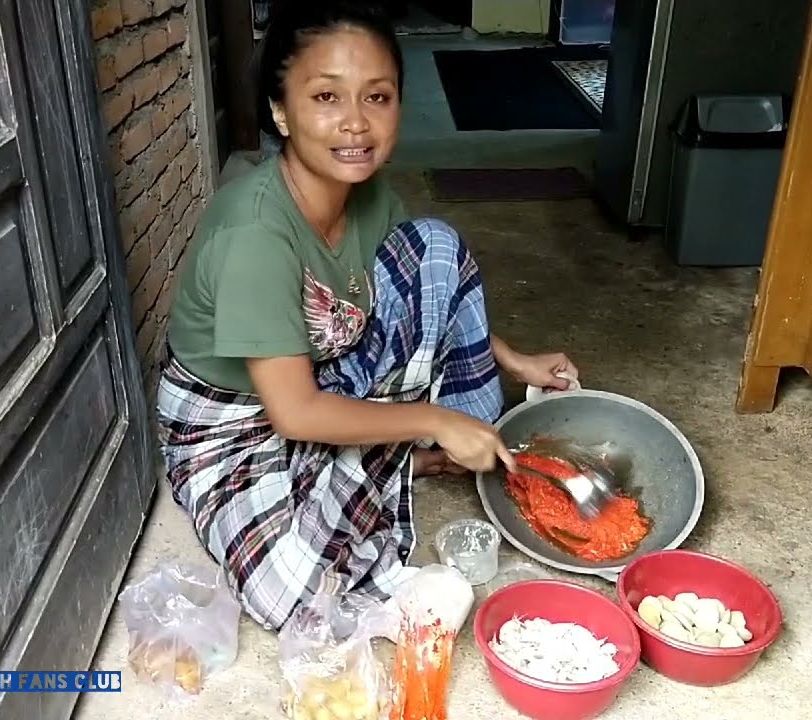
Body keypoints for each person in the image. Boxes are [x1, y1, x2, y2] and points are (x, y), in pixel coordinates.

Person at [158, 0, 579, 630]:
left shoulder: (368, 194)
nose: (355, 123)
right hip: (234, 422)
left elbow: (429, 287)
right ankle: (400, 447)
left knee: (432, 246)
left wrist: (514, 357)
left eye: (377, 98)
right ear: (281, 109)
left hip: (321, 371)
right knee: (299, 598)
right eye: (327, 97)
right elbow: (293, 412)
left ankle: (388, 447)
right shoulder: (255, 234)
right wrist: (433, 417)